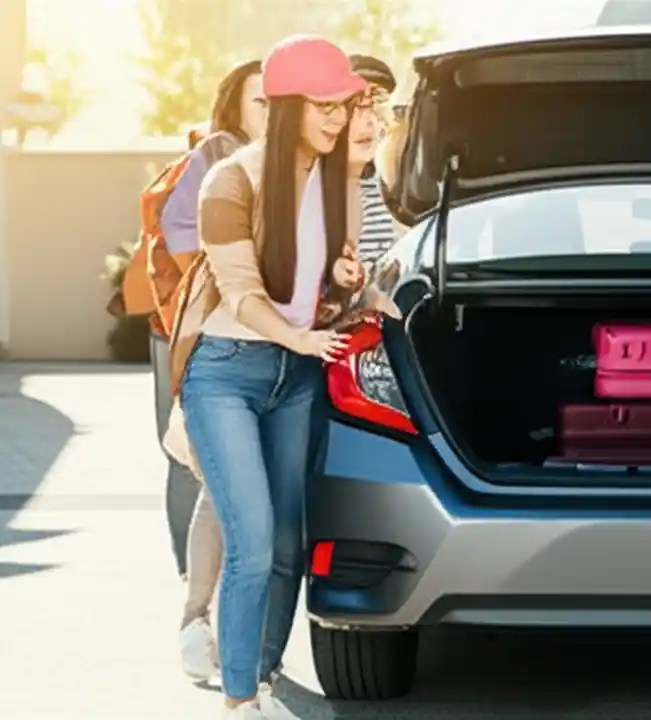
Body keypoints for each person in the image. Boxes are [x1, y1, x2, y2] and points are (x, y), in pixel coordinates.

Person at [170, 34, 367, 718]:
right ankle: (238, 703)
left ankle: (262, 671)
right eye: (324, 106)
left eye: (342, 105)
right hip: (226, 375)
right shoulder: (234, 180)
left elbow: (329, 275)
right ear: (285, 107)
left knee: (289, 544)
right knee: (251, 543)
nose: (337, 120)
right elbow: (243, 294)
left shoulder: (338, 180)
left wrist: (349, 280)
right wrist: (300, 336)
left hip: (297, 374)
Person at [140, 58, 268, 683]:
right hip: (211, 339)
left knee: (235, 493)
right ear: (235, 108)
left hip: (271, 345)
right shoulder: (219, 154)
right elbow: (184, 235)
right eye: (260, 101)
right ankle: (196, 615)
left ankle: (216, 619)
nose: (272, 110)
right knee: (213, 484)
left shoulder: (295, 165)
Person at [347, 54, 401, 264]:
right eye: (357, 107)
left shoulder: (394, 192)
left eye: (373, 107)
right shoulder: (306, 196)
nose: (370, 120)